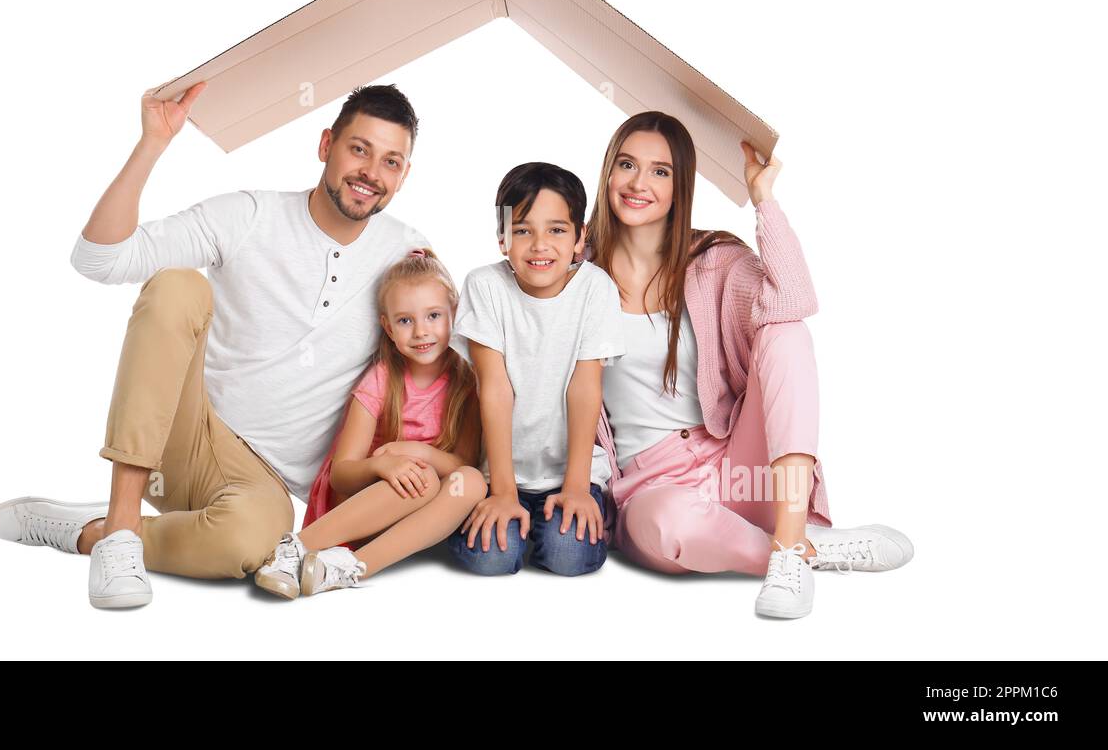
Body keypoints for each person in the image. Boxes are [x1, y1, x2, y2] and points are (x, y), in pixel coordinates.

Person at [0, 82, 429, 608]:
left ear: (403, 176)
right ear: (326, 144)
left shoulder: (407, 254)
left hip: (263, 482)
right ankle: (124, 522)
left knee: (253, 545)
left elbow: (453, 352)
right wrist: (152, 143)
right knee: (179, 284)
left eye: (391, 162)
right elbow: (100, 259)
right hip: (182, 434)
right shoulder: (249, 216)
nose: (371, 174)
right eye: (359, 149)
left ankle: (87, 531)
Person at [586, 110, 912, 618]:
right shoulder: (574, 270)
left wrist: (764, 199)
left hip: (741, 470)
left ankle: (787, 541)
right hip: (652, 486)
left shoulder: (711, 261)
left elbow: (795, 299)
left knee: (785, 332)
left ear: (680, 185)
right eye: (627, 164)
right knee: (669, 525)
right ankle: (801, 548)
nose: (638, 183)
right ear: (607, 172)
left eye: (660, 171)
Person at [254, 248, 486, 598]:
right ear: (388, 328)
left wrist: (412, 450)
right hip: (357, 507)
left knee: (471, 481)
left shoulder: (467, 382)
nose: (421, 331)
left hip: (415, 522)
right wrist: (382, 465)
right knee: (420, 476)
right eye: (405, 321)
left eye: (434, 316)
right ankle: (295, 549)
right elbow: (341, 473)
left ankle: (348, 568)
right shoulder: (381, 380)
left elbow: (461, 462)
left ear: (455, 313)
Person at [446, 162, 626, 577]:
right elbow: (494, 388)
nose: (540, 245)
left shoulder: (595, 289)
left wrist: (577, 488)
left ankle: (554, 526)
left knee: (569, 555)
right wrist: (504, 491)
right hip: (501, 471)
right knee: (491, 557)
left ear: (580, 238)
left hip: (570, 472)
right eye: (523, 230)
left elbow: (584, 388)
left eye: (557, 230)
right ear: (502, 237)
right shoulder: (485, 286)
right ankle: (512, 522)